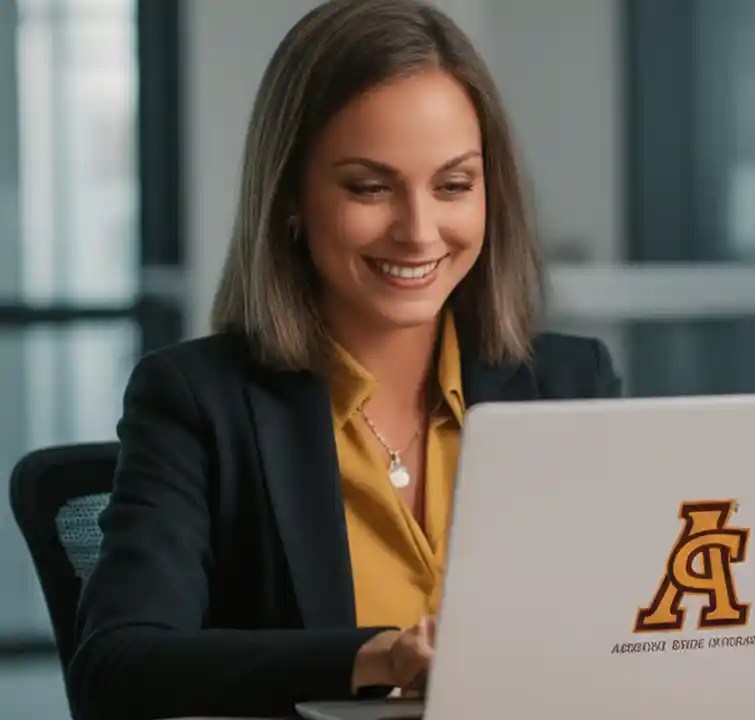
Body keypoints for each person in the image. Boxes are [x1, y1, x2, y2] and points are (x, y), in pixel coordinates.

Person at [67, 1, 620, 717]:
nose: (419, 232)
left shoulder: (571, 384)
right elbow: (117, 666)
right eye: (370, 187)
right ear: (290, 197)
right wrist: (376, 656)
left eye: (454, 185)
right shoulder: (195, 400)